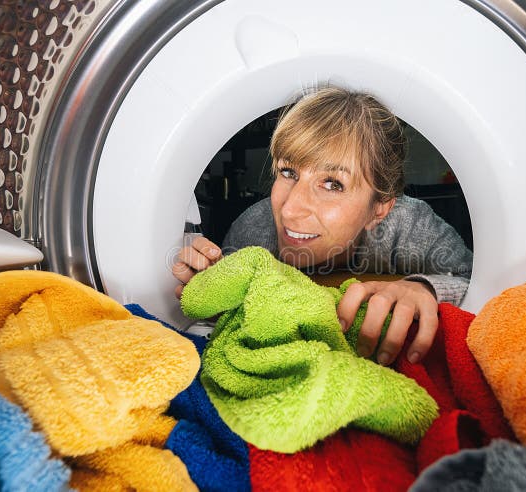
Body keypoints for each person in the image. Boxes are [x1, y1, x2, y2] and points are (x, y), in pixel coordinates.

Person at [173, 87, 472, 366]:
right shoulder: (253, 230)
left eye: (332, 184)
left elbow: (475, 276)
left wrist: (425, 289)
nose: (289, 210)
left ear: (379, 208)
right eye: (288, 171)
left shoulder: (411, 223)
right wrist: (212, 293)